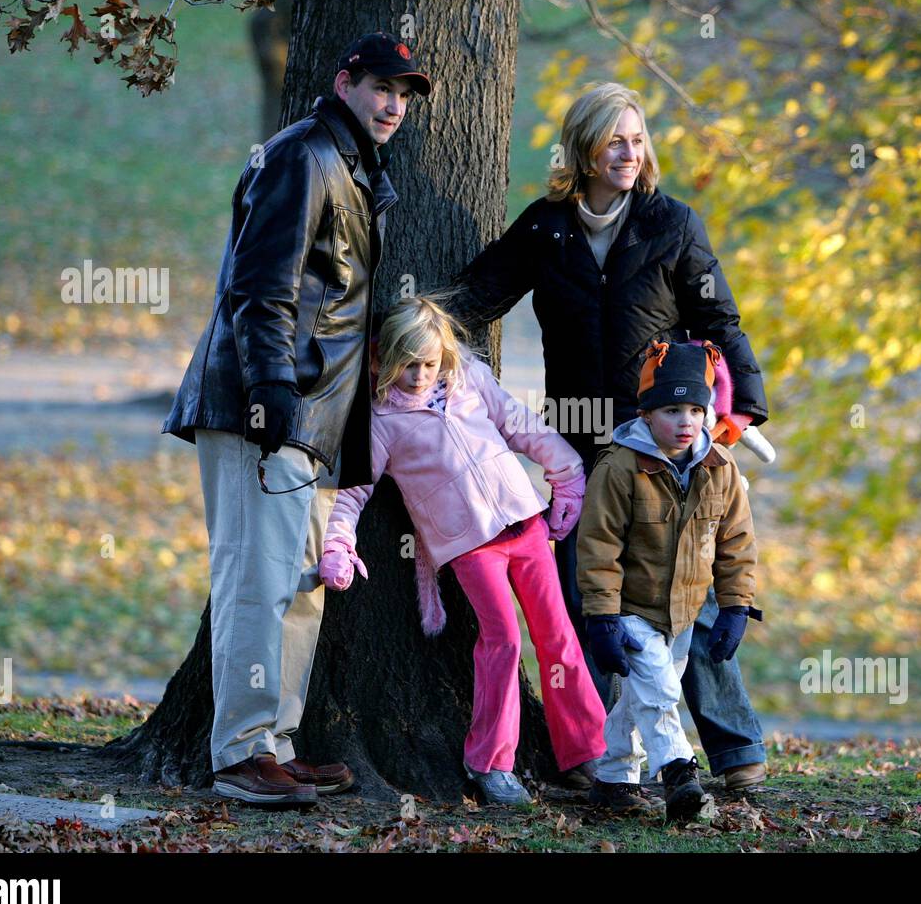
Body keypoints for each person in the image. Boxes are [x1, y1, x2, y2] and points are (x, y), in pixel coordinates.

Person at [449, 81, 771, 790]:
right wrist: (410, 326)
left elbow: (721, 321)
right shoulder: (545, 229)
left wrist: (742, 406)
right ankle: (609, 758)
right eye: (614, 140)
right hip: (583, 442)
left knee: (688, 584)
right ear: (584, 151)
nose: (630, 153)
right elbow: (476, 295)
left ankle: (735, 747)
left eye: (638, 139)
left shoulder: (672, 224)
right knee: (591, 590)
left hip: (669, 437)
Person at [161, 33, 432, 805]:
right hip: (265, 411)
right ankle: (241, 754)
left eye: (405, 95)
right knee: (255, 581)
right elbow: (261, 289)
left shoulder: (353, 167)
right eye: (382, 86)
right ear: (346, 81)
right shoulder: (302, 156)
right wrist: (273, 395)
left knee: (302, 584)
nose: (394, 105)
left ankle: (275, 742)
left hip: (315, 422)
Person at [320, 296, 607, 806]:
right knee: (503, 640)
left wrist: (567, 477)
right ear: (382, 358)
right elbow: (352, 493)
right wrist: (338, 544)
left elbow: (523, 426)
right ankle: (491, 763)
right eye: (407, 364)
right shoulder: (381, 422)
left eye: (428, 364)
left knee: (559, 634)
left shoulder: (470, 383)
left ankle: (587, 751)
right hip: (470, 547)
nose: (418, 375)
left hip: (527, 526)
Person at [577, 341, 760, 821]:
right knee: (660, 693)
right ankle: (680, 775)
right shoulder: (619, 467)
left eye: (696, 409)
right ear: (646, 412)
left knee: (639, 699)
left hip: (682, 613)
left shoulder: (719, 467)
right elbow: (599, 545)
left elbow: (736, 542)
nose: (685, 421)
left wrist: (736, 607)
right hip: (631, 612)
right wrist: (602, 616)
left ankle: (613, 781)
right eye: (671, 409)